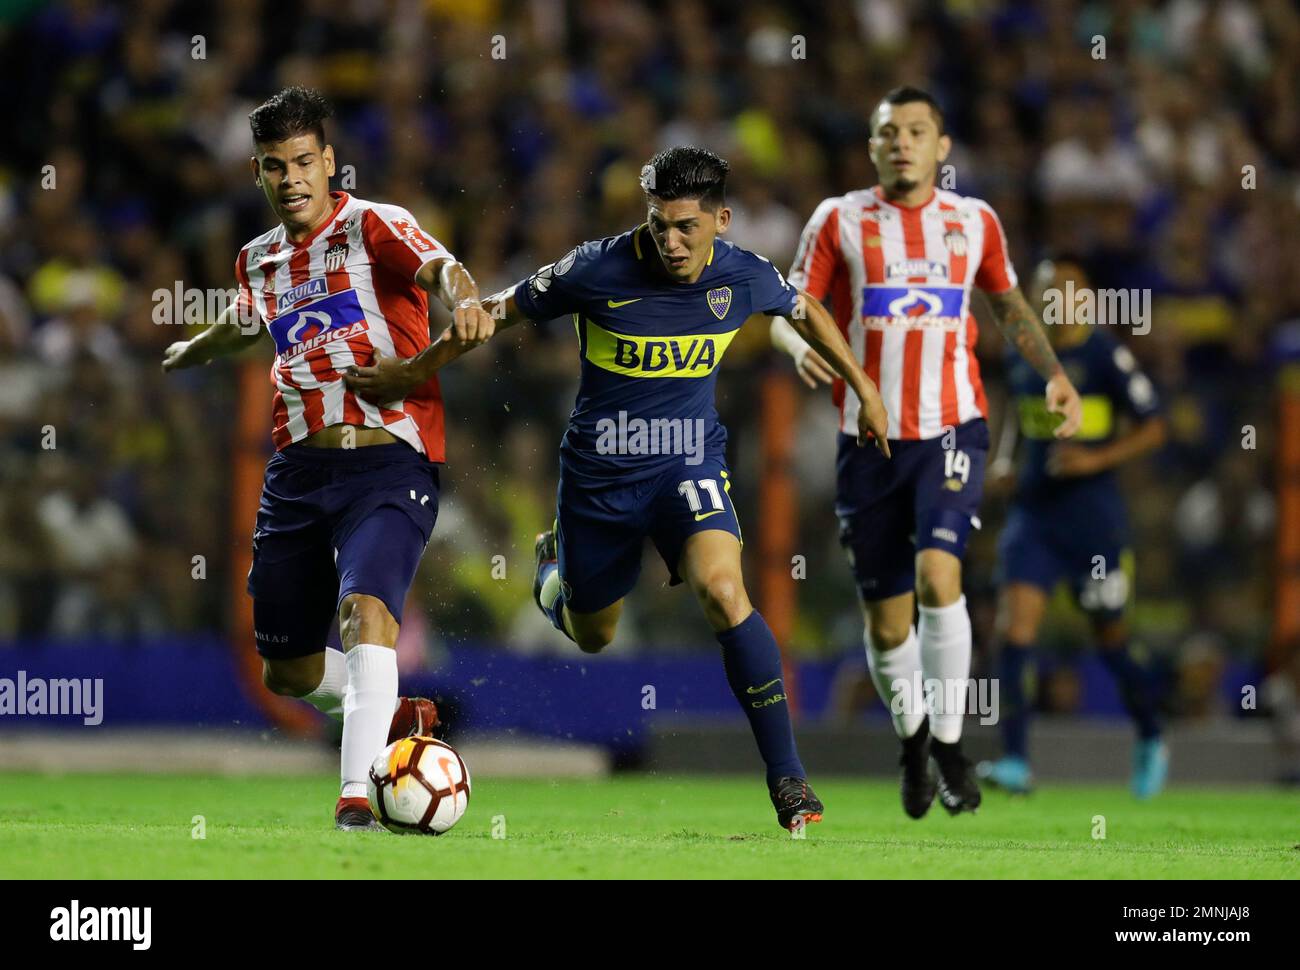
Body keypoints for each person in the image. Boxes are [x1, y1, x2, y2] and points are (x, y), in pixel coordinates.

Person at [353, 145, 891, 830]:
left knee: (726, 594)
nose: (670, 240)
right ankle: (556, 581)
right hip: (600, 477)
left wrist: (864, 386)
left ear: (722, 220)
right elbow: (492, 312)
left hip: (688, 464)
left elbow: (805, 307)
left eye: (686, 227)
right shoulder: (594, 267)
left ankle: (789, 781)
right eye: (659, 223)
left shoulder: (742, 275)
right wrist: (411, 371)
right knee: (594, 634)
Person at [163, 87, 494, 831]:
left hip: (388, 465)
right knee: (287, 668)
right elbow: (242, 322)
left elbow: (443, 269)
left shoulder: (375, 225)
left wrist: (464, 300)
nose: (292, 178)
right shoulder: (259, 260)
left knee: (365, 613)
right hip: (298, 474)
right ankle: (391, 707)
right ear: (258, 173)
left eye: (305, 161)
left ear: (330, 163)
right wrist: (193, 348)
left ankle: (355, 801)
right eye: (275, 166)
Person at [771, 86, 1082, 819]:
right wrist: (791, 347)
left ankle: (948, 744)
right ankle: (913, 742)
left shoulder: (974, 222)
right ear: (873, 147)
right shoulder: (839, 219)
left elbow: (1006, 304)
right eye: (888, 132)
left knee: (942, 574)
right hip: (867, 437)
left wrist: (1055, 376)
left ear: (943, 148)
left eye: (917, 131)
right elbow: (788, 307)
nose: (902, 142)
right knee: (887, 623)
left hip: (952, 428)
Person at [979, 256, 1169, 798]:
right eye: (1048, 289)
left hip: (1094, 524)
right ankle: (1015, 760)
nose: (1058, 299)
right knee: (1013, 631)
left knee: (1112, 642)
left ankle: (1152, 734)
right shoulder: (1026, 355)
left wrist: (1094, 459)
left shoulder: (1103, 353)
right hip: (1035, 516)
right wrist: (1006, 460)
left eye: (1070, 289)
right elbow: (1016, 413)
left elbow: (1154, 427)